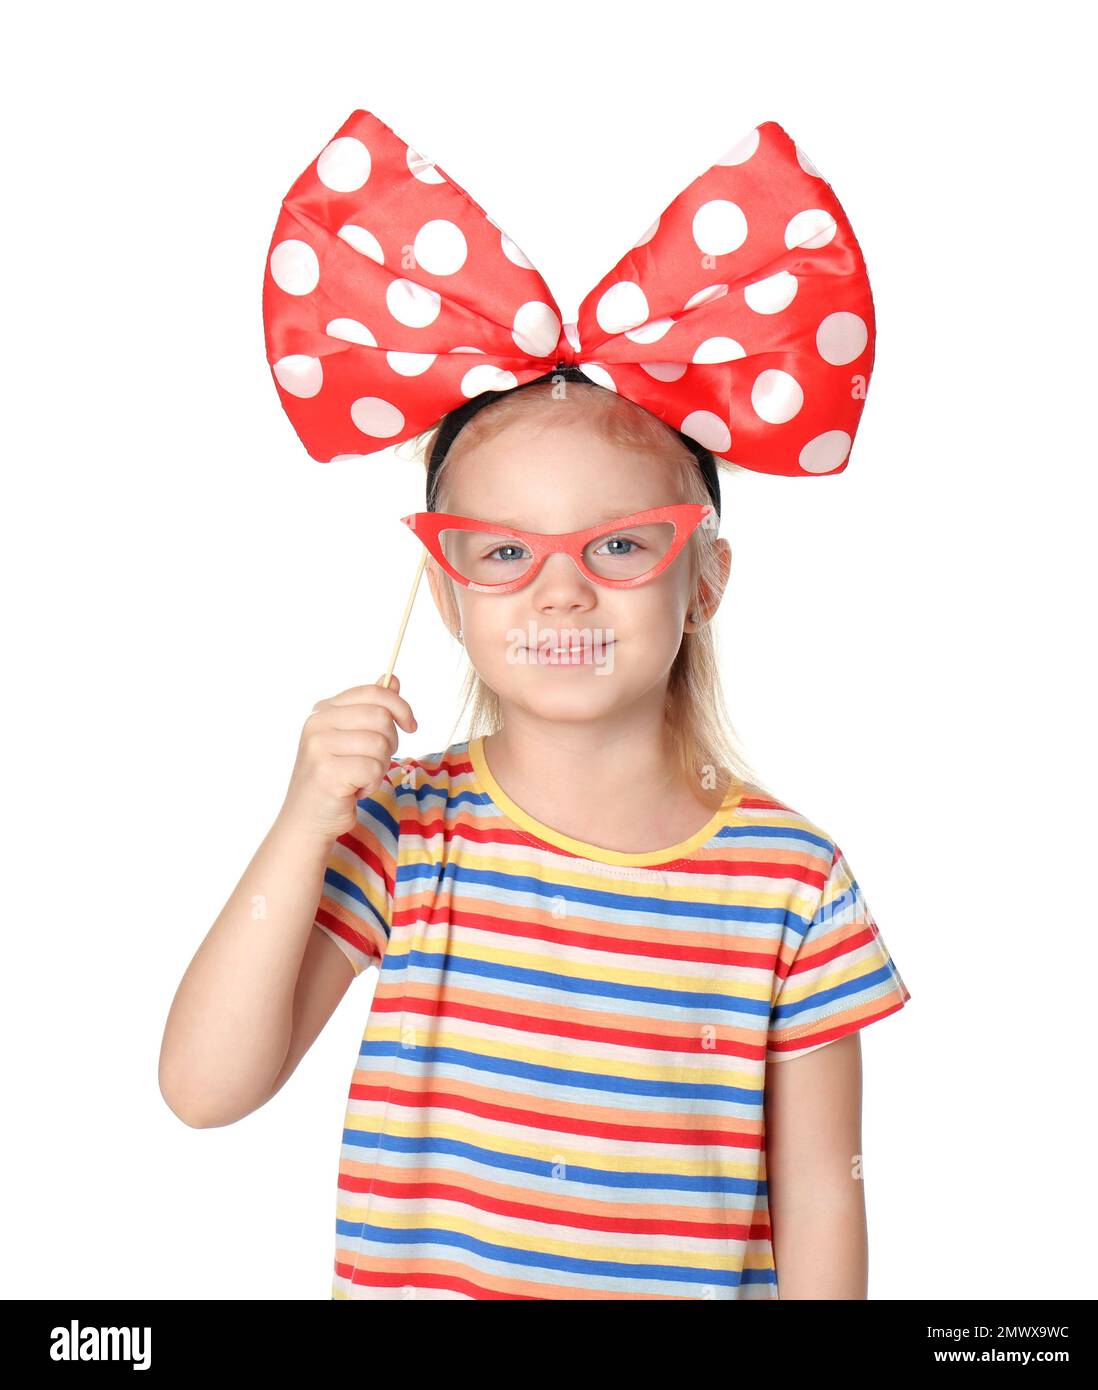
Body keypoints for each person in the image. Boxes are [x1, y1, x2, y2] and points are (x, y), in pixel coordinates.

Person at [159, 367, 911, 1300]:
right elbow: (205, 1089)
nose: (561, 593)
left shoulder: (792, 879)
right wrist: (300, 824)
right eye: (506, 552)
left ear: (705, 578)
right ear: (447, 598)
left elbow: (822, 1195)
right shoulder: (404, 829)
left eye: (620, 545)